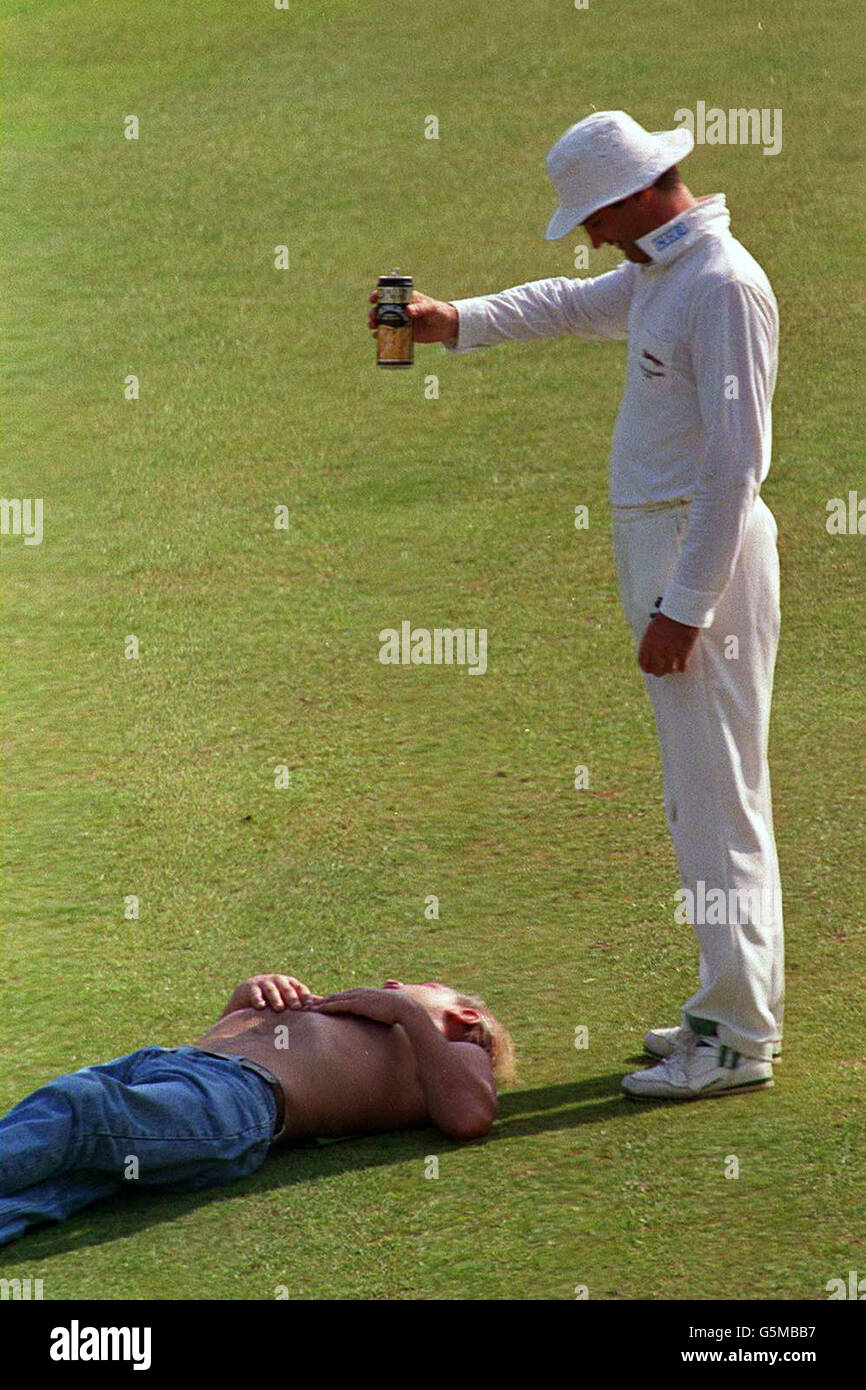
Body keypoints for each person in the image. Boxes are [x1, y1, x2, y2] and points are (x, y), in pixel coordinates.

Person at [370, 110, 784, 1101]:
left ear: (644, 190)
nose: (589, 234)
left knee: (718, 801)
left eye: (594, 214)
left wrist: (682, 606)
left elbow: (736, 468)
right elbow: (563, 304)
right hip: (664, 542)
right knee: (699, 799)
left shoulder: (719, 285)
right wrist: (449, 320)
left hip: (698, 553)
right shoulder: (661, 273)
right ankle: (721, 1005)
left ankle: (735, 1038)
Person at [0, 973, 515, 1246]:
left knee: (81, 1110)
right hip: (182, 1070)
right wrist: (245, 1003)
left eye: (418, 985)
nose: (395, 986)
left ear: (462, 1013)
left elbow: (471, 1116)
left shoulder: (454, 1051)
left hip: (239, 1099)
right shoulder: (390, 1031)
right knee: (76, 1174)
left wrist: (405, 1012)